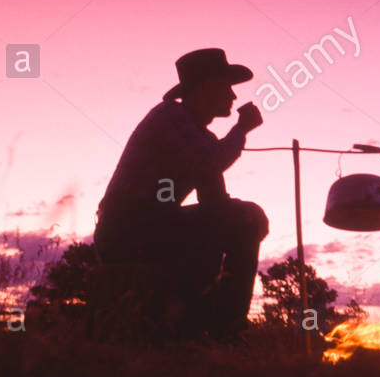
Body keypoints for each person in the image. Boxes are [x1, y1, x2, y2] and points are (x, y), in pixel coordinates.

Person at [93, 47, 269, 338]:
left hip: (155, 227)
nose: (234, 96)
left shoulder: (200, 135)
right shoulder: (170, 116)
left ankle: (210, 320)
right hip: (125, 230)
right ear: (208, 87)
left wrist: (243, 214)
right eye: (227, 87)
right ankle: (225, 324)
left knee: (243, 218)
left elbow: (215, 203)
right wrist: (241, 130)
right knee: (242, 218)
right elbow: (211, 162)